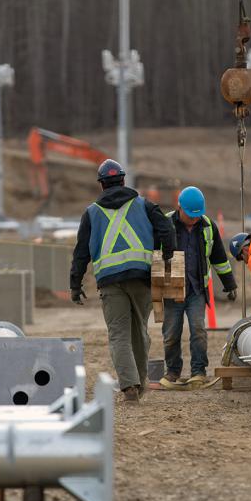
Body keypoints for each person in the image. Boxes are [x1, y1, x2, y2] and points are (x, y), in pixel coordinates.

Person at [70, 159, 175, 403]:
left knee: (119, 334)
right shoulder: (145, 205)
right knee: (139, 330)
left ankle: (129, 385)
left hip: (109, 281)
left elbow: (81, 253)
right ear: (123, 181)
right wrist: (167, 256)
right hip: (141, 277)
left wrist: (75, 285)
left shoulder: (92, 213)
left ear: (102, 185)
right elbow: (166, 230)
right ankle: (139, 384)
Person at [161, 186, 237, 385]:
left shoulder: (208, 226)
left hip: (196, 289)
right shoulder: (164, 224)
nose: (194, 219)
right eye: (190, 215)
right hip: (171, 288)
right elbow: (151, 253)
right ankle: (173, 372)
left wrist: (229, 284)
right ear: (180, 208)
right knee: (171, 333)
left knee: (198, 330)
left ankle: (198, 371)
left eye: (197, 215)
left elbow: (219, 257)